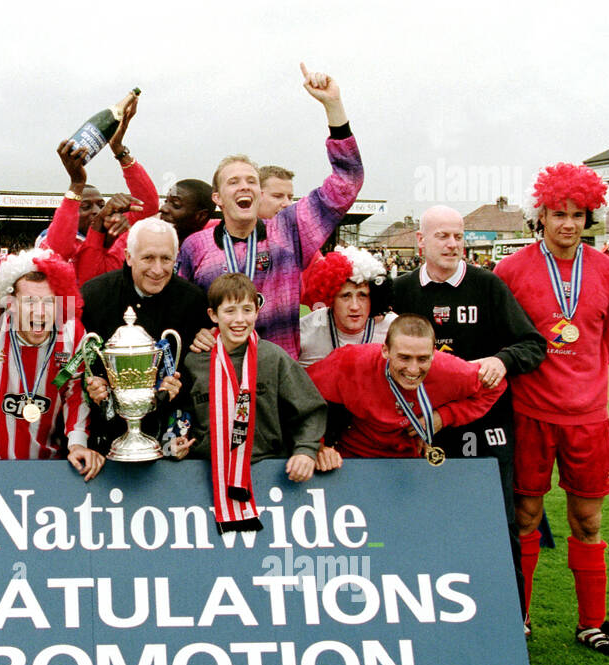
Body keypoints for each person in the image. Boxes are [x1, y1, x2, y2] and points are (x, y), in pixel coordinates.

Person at [495, 163, 609, 658]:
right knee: (526, 515)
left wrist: (580, 375)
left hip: (588, 417)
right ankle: (521, 616)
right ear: (543, 215)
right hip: (530, 410)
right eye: (558, 213)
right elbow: (505, 337)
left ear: (588, 217)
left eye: (577, 214)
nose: (568, 223)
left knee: (588, 520)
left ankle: (591, 625)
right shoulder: (510, 270)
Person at [392, 205, 547, 619]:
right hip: (419, 430)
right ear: (420, 242)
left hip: (485, 426)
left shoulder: (488, 286)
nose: (452, 244)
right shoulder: (399, 290)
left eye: (458, 236)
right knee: (424, 524)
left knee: (494, 522)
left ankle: (511, 618)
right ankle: (431, 612)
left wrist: (503, 359)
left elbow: (533, 344)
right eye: (442, 236)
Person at [177, 64, 363, 358]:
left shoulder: (289, 232)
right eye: (233, 182)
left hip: (274, 377)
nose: (244, 187)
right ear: (218, 198)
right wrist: (193, 330)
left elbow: (347, 182)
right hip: (217, 376)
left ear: (259, 193)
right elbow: (177, 308)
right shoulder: (195, 247)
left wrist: (333, 106)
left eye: (251, 181)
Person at [175, 273, 327, 534]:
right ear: (213, 315)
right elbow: (178, 417)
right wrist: (175, 442)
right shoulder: (194, 362)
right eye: (230, 311)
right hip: (206, 478)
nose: (239, 319)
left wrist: (305, 449)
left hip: (269, 473)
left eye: (247, 310)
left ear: (257, 312)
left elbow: (310, 410)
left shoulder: (273, 358)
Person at [0, 249, 102, 479]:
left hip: (50, 467)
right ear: (11, 304)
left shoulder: (72, 333)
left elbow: (74, 390)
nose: (39, 312)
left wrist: (77, 443)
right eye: (29, 301)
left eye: (49, 302)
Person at [80, 217, 210, 454]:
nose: (158, 269)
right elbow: (76, 366)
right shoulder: (93, 296)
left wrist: (178, 386)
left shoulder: (194, 301)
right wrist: (92, 385)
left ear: (176, 258)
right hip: (104, 435)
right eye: (148, 258)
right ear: (129, 257)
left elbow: (196, 372)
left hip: (169, 433)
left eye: (166, 259)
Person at [306, 314, 505, 462]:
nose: (413, 369)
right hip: (354, 457)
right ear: (385, 350)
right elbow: (303, 394)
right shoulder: (350, 362)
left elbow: (494, 387)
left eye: (423, 359)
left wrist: (443, 416)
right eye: (404, 357)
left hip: (411, 461)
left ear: (434, 354)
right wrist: (318, 446)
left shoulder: (450, 370)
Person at [46, 91, 160, 284]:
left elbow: (147, 205)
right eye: (85, 206)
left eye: (100, 204)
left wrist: (118, 148)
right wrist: (76, 184)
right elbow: (58, 250)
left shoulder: (116, 230)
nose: (96, 211)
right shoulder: (55, 236)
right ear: (71, 211)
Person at [298, 245, 395, 366]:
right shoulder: (304, 332)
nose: (354, 306)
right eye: (345, 296)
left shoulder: (394, 330)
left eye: (363, 295)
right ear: (331, 298)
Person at [159, 179, 216, 249]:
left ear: (201, 216)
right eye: (166, 201)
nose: (163, 208)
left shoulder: (207, 255)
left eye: (175, 204)